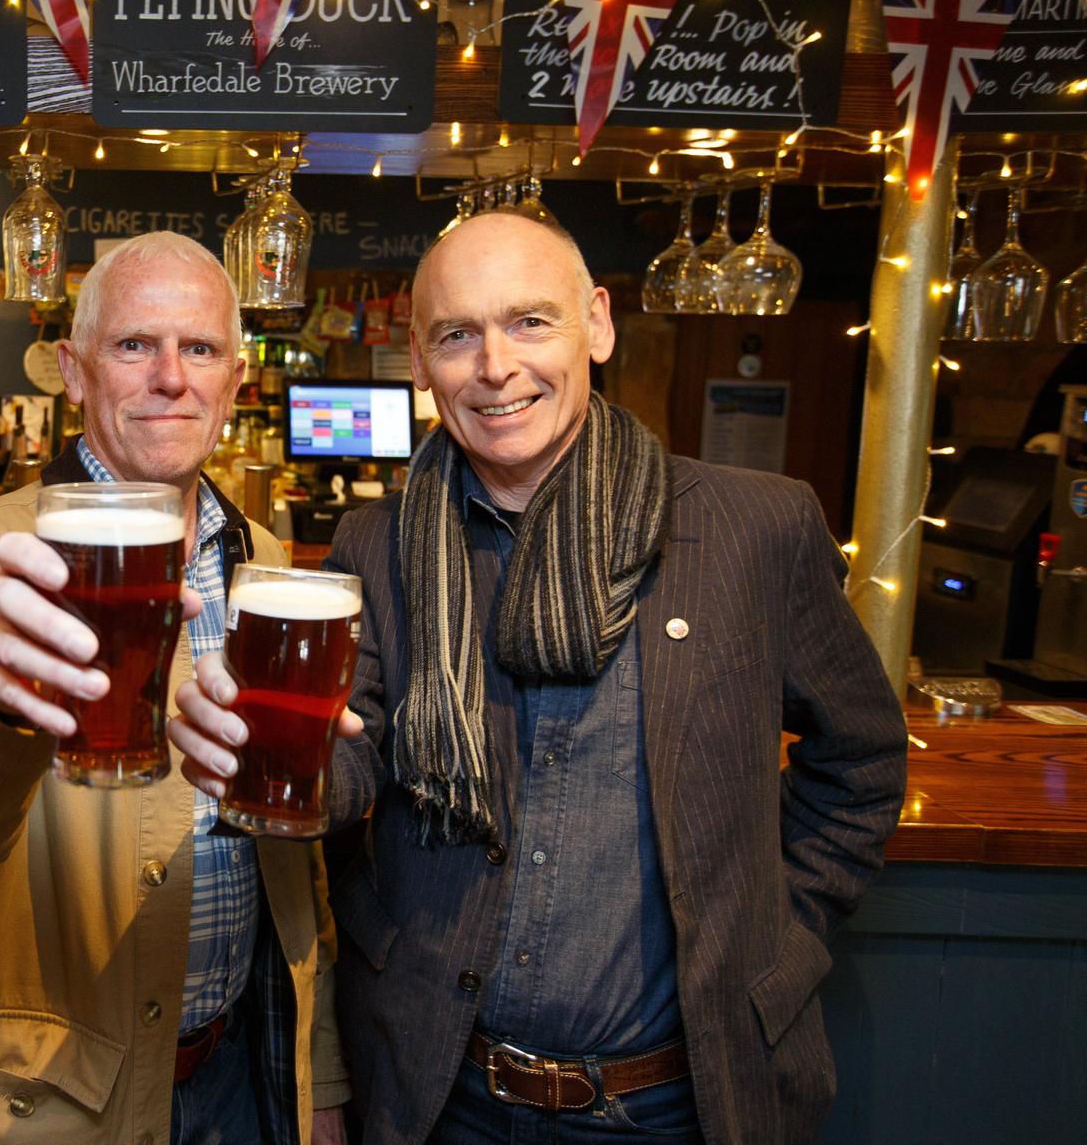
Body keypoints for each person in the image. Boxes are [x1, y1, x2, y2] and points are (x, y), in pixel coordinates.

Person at [172, 212, 907, 1144]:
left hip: (679, 1102)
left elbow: (862, 760)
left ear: (596, 324)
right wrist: (267, 755)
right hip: (441, 1089)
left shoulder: (755, 528)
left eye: (529, 322)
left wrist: (772, 939)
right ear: (420, 362)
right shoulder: (378, 543)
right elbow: (358, 754)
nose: (496, 366)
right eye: (457, 335)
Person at [0, 232, 351, 1144]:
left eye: (199, 348)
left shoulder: (262, 556)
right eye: (134, 345)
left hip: (240, 1078)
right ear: (73, 373)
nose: (171, 377)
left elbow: (293, 852)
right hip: (50, 1101)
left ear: (235, 380)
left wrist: (315, 1072)